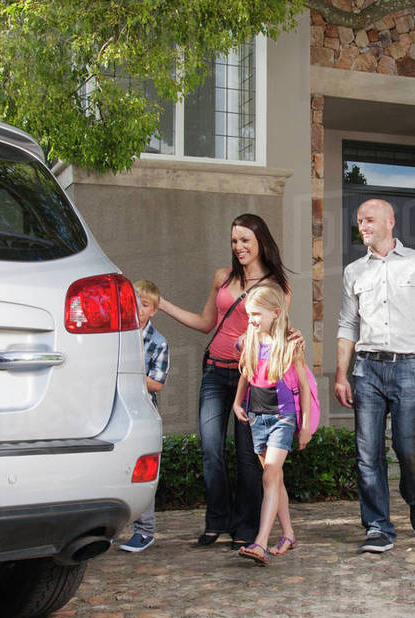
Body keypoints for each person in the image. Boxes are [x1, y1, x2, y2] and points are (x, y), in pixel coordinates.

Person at [158, 214, 292, 550]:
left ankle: (244, 528)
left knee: (248, 456)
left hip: (252, 380)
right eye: (234, 241)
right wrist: (162, 305)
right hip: (215, 373)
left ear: (260, 240)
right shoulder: (223, 277)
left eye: (245, 239)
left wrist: (295, 338)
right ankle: (216, 520)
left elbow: (277, 331)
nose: (239, 247)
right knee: (209, 449)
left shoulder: (276, 285)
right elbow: (206, 323)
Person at [335, 198, 415, 554]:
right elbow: (347, 323)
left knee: (407, 447)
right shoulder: (354, 271)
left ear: (390, 222)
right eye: (359, 221)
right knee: (367, 452)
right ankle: (378, 527)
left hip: (409, 367)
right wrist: (341, 374)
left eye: (369, 219)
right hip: (366, 368)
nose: (363, 226)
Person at [231, 285, 314, 564]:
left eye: (256, 314)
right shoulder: (249, 341)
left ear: (275, 313)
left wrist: (304, 426)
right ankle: (288, 533)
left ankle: (260, 543)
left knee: (269, 475)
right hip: (257, 417)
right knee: (275, 479)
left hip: (282, 418)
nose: (252, 319)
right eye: (249, 315)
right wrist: (237, 402)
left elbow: (303, 386)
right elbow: (246, 371)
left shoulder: (290, 344)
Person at [120, 279, 169, 552]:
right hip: (116, 407)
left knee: (142, 468)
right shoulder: (117, 335)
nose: (138, 308)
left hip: (142, 408)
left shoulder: (158, 342)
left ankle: (145, 530)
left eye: (145, 305)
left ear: (154, 311)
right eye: (134, 302)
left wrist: (128, 373)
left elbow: (157, 382)